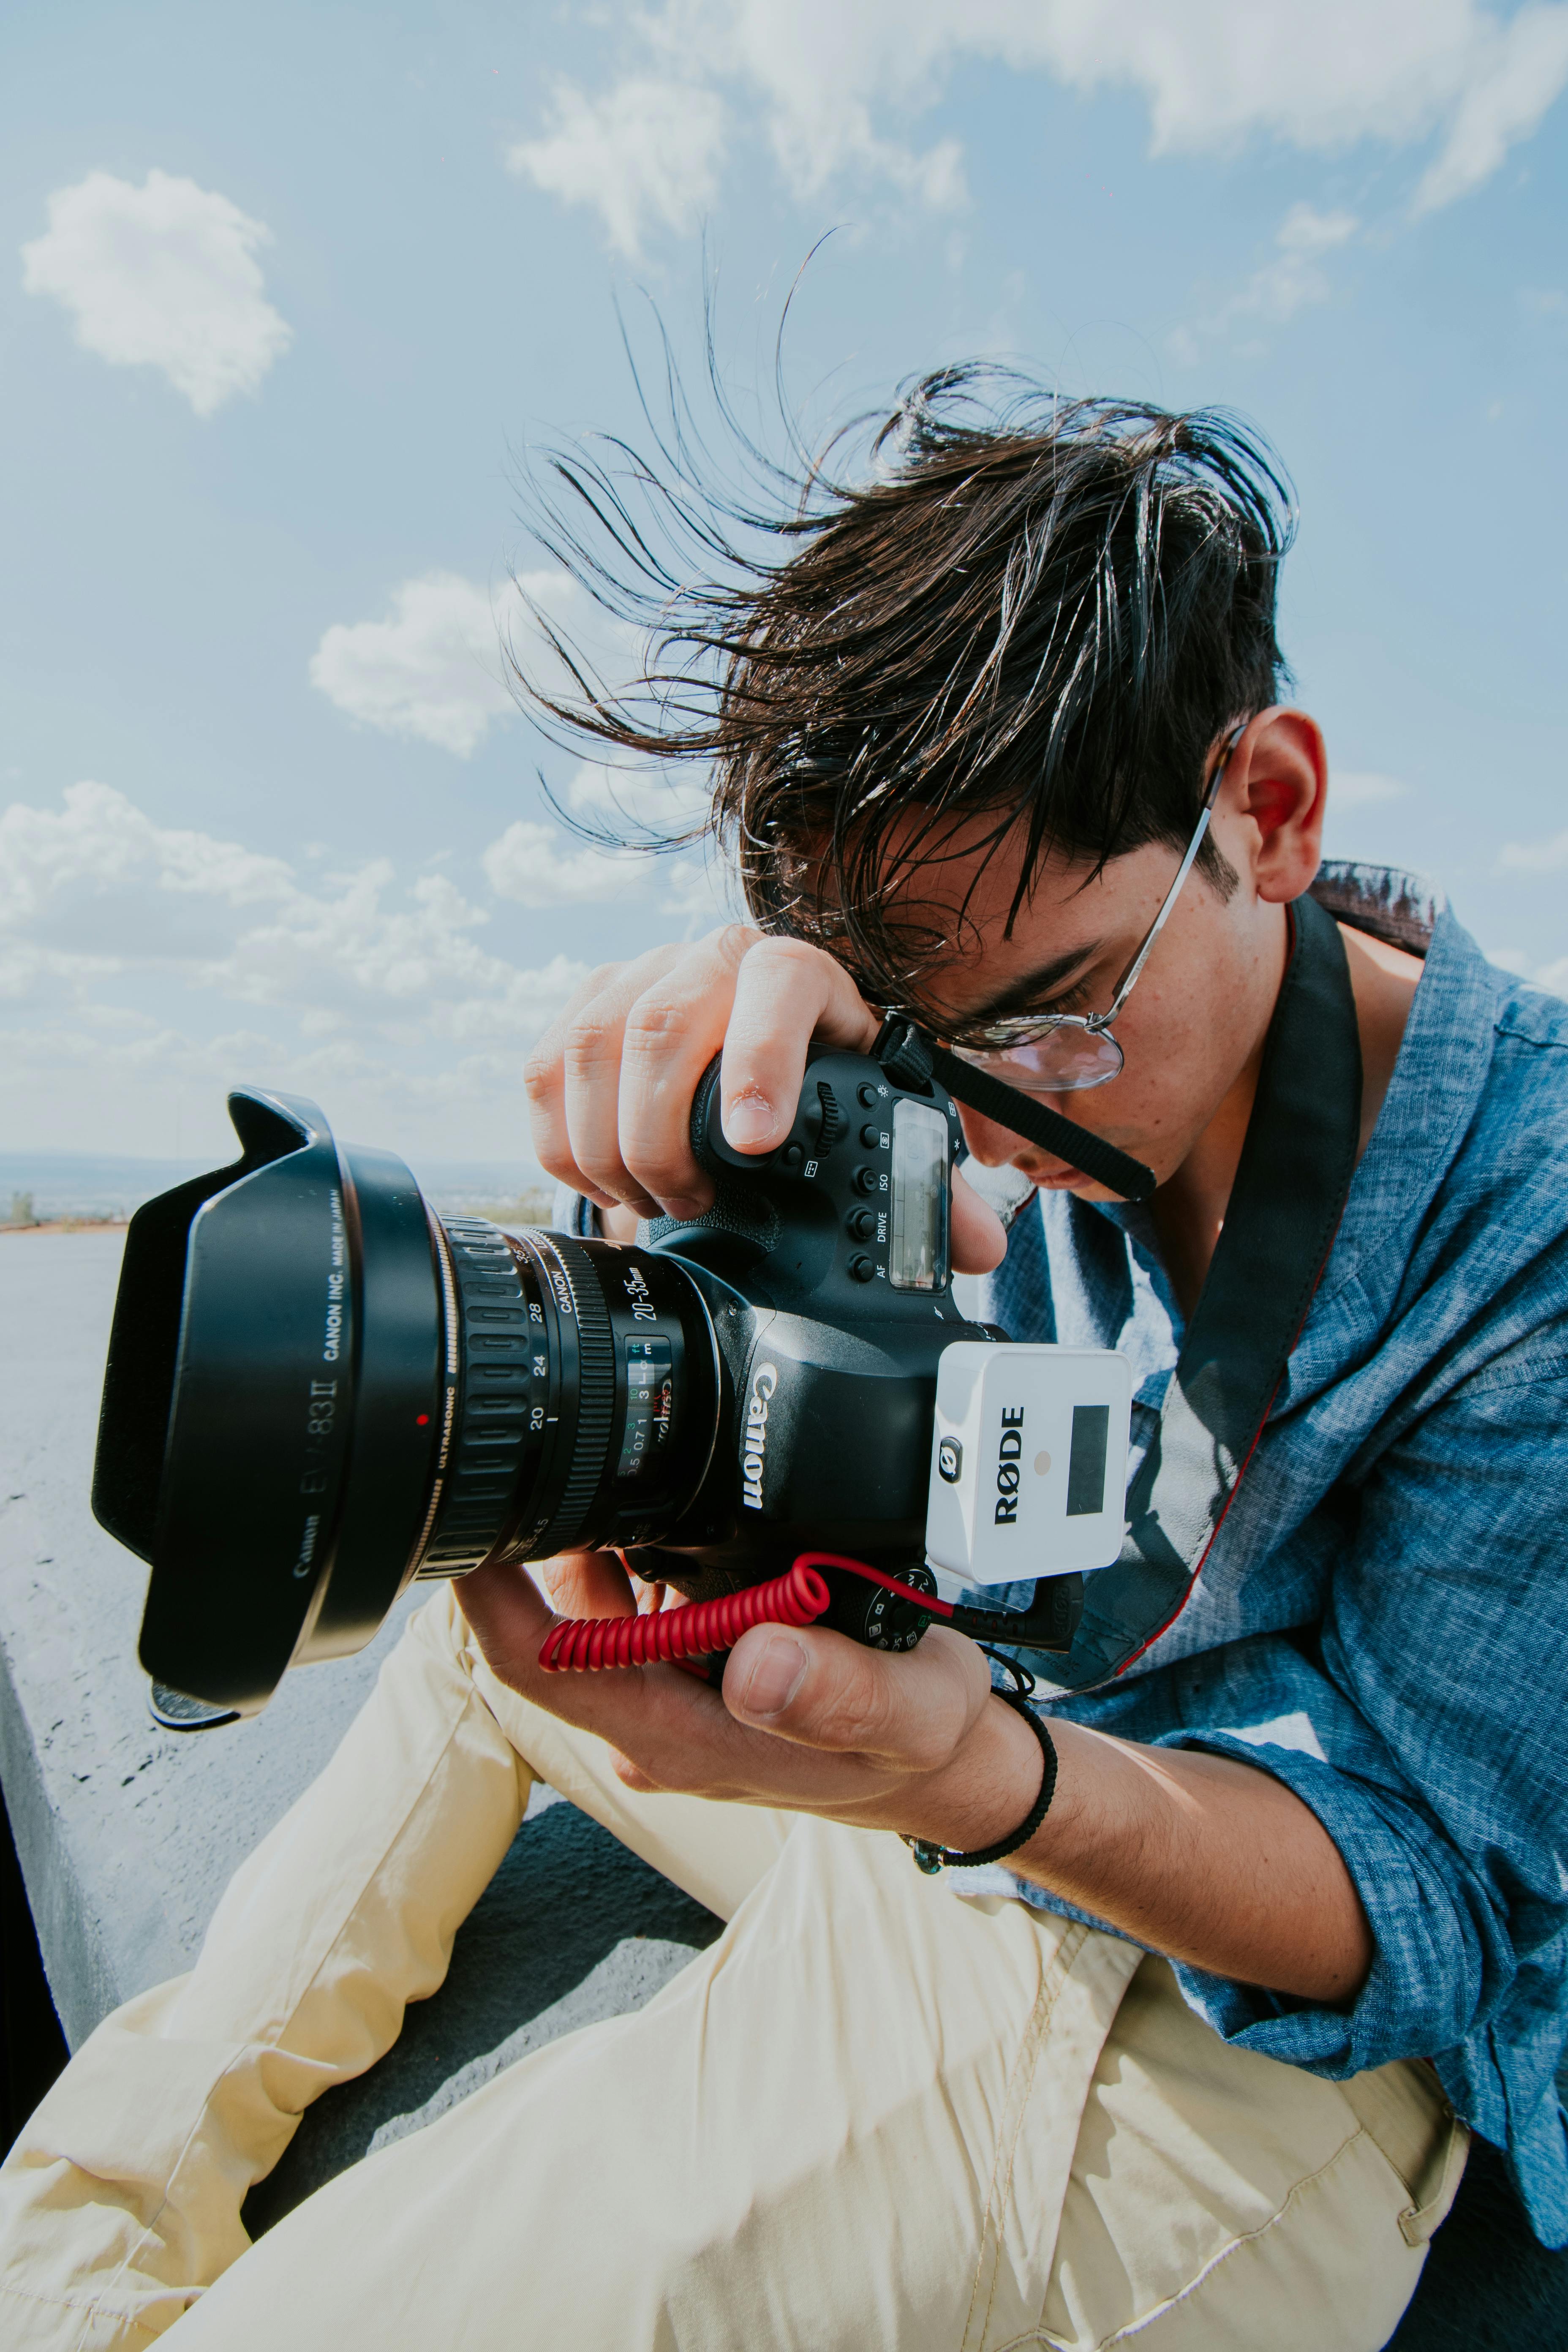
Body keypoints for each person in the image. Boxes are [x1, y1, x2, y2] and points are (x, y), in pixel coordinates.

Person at [3, 381, 1563, 2352]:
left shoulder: (1535, 1231)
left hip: (1241, 2044)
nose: (989, 1124)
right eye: (923, 1045)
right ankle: (69, 2232)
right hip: (980, 1749)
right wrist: (758, 1135)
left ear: (1264, 809)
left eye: (1048, 1022)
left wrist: (974, 1774)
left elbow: (1440, 1915)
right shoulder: (1025, 995)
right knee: (499, 1648)